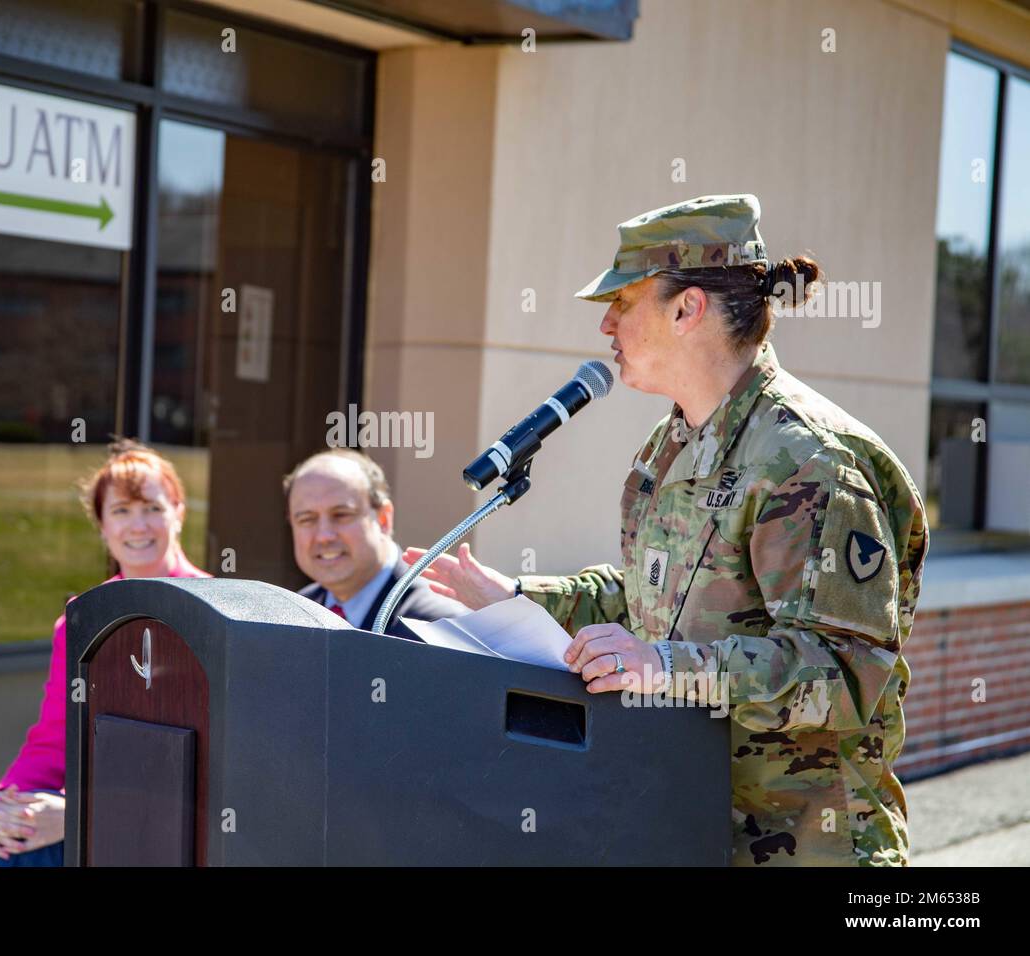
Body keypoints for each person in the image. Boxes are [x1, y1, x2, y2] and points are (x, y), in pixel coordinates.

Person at [406, 194, 928, 866]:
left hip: (809, 848)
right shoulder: (672, 444)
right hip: (683, 824)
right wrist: (516, 596)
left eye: (622, 301)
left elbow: (843, 673)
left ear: (688, 309)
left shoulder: (809, 462)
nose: (607, 326)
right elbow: (649, 601)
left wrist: (664, 667)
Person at [0, 440, 208, 866]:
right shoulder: (80, 621)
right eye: (121, 511)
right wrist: (7, 802)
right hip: (100, 814)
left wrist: (76, 814)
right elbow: (52, 742)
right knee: (13, 843)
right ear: (102, 526)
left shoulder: (216, 611)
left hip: (184, 822)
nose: (137, 526)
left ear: (179, 511)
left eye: (152, 509)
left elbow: (209, 766)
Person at [286, 449, 467, 641]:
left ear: (383, 519)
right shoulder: (291, 614)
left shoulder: (437, 625)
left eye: (341, 514)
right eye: (307, 519)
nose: (324, 536)